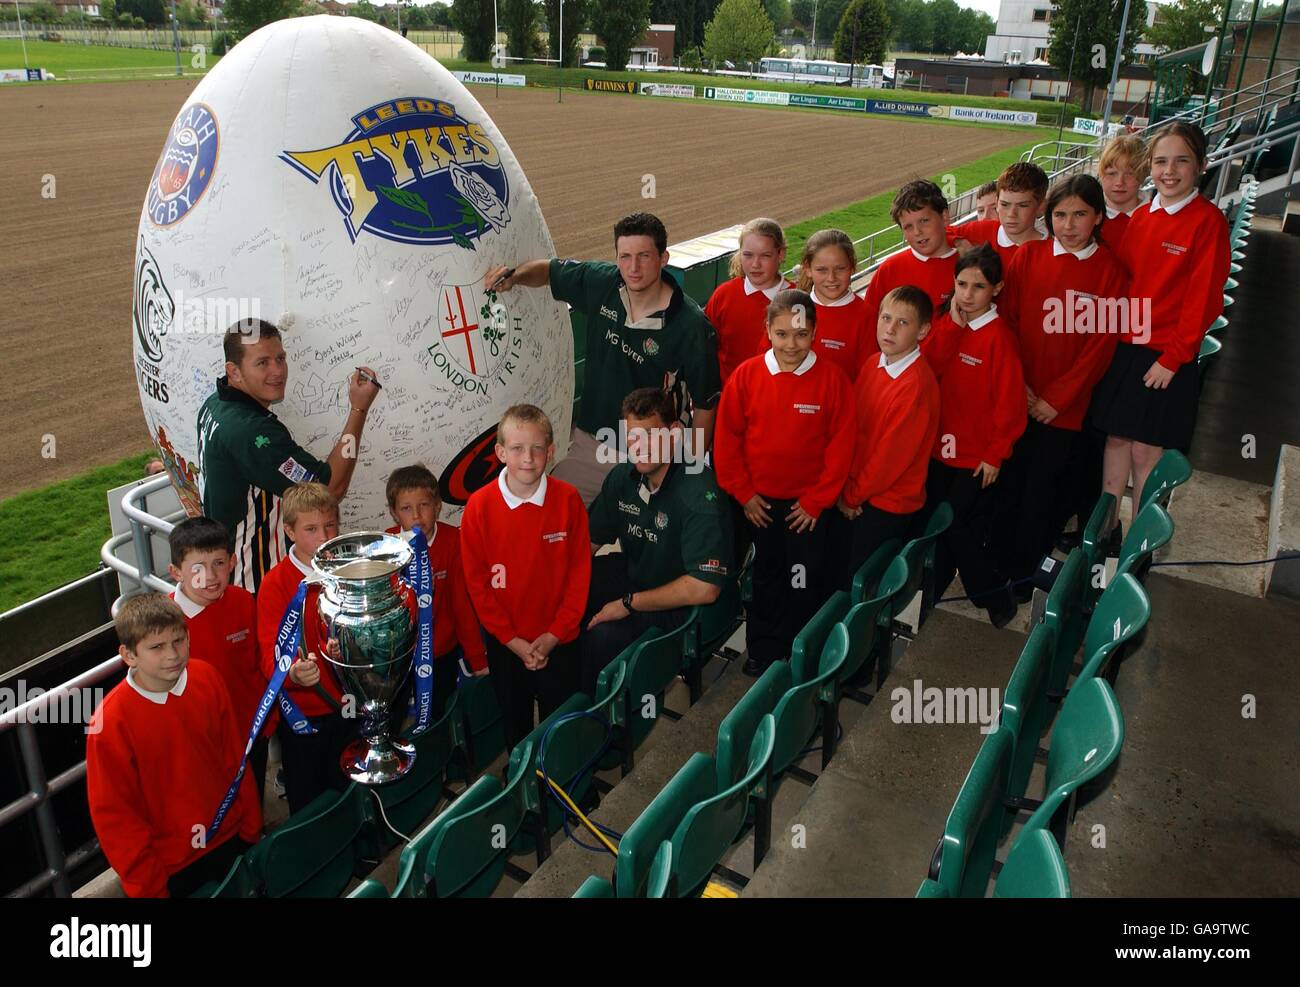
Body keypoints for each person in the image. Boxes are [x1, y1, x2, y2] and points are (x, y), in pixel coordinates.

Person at [482, 213, 722, 505]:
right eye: (625, 256)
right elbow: (549, 271)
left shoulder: (692, 327)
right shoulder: (602, 283)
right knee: (555, 523)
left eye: (644, 256)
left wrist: (690, 471)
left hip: (654, 456)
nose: (633, 268)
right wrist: (516, 276)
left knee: (646, 542)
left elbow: (706, 407)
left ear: (664, 258)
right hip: (591, 446)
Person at [995, 175, 1129, 593]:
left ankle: (1022, 577)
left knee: (1042, 497)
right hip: (1019, 397)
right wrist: (1022, 388)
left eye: (1079, 215)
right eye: (1060, 215)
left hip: (1064, 411)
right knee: (1008, 488)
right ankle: (997, 568)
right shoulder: (1028, 257)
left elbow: (1099, 349)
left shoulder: (1110, 273)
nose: (1068, 225)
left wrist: (1056, 400)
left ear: (1098, 218)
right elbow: (1008, 325)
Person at [1091, 121, 1229, 525]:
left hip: (1165, 355)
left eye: (1181, 161)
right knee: (1116, 439)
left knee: (1145, 451)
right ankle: (1107, 527)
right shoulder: (1143, 216)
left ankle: (1141, 539)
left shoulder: (1208, 222)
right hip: (1127, 347)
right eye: (1161, 161)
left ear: (1201, 166)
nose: (1169, 171)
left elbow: (1203, 299)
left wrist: (1173, 358)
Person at [714, 289, 855, 676]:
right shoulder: (746, 376)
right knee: (766, 577)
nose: (791, 345)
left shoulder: (832, 380)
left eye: (801, 334)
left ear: (814, 332)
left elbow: (840, 449)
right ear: (768, 331)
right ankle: (762, 649)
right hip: (759, 506)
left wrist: (816, 501)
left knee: (803, 580)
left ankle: (801, 649)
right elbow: (727, 442)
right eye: (782, 335)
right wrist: (744, 494)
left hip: (805, 509)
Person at [86, 594, 261, 898]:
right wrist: (149, 889)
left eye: (179, 640)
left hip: (229, 838)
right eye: (156, 647)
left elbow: (236, 757)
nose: (172, 654)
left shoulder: (206, 677)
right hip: (171, 869)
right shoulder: (110, 722)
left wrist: (251, 825)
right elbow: (117, 819)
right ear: (128, 655)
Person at [197, 318, 381, 592]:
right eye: (263, 363)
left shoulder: (214, 403)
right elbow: (330, 489)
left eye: (280, 358)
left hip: (229, 566)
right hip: (255, 578)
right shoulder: (253, 434)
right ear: (233, 371)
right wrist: (359, 410)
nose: (277, 371)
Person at [582, 387, 733, 691]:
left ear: (674, 434)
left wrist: (629, 603)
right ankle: (567, 702)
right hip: (640, 576)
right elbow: (588, 543)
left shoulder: (698, 494)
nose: (640, 447)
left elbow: (704, 589)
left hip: (687, 608)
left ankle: (603, 721)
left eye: (651, 435)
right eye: (632, 437)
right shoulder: (623, 478)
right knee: (577, 590)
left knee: (604, 636)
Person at [460, 405, 590, 748]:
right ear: (501, 453)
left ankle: (564, 779)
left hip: (559, 639)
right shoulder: (479, 507)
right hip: (507, 642)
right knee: (515, 719)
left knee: (561, 719)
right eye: (517, 448)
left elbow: (579, 575)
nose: (528, 458)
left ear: (550, 451)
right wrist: (510, 640)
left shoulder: (568, 500)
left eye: (537, 448)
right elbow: (477, 585)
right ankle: (521, 785)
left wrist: (555, 634)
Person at [923, 244, 1026, 627]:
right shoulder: (948, 323)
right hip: (938, 449)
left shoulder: (1001, 338)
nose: (967, 294)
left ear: (996, 289)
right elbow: (928, 366)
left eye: (978, 287)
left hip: (975, 457)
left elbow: (1011, 405)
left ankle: (994, 595)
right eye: (961, 284)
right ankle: (933, 591)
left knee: (954, 525)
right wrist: (951, 325)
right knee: (942, 524)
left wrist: (995, 453)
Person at [255, 482, 349, 814]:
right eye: (311, 529)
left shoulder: (350, 567)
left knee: (349, 786)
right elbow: (268, 654)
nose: (324, 536)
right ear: (290, 531)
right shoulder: (275, 585)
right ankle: (314, 862)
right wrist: (293, 673)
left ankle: (358, 853)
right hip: (302, 715)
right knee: (308, 799)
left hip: (350, 705)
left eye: (330, 525)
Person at [838, 285, 941, 585]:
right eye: (885, 318)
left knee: (854, 583)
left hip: (885, 503)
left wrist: (850, 495)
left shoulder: (916, 387)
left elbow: (888, 462)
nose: (890, 329)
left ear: (922, 331)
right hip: (858, 491)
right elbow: (853, 430)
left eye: (903, 323)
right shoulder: (873, 364)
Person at [167, 516, 271, 802]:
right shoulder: (163, 623)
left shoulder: (243, 601)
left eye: (219, 563)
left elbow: (256, 664)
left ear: (234, 562)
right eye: (198, 568)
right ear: (176, 572)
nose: (210, 576)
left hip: (251, 734)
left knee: (252, 805)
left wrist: (266, 722)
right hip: (201, 747)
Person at [383, 464, 489, 719]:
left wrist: (477, 659)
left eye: (425, 505)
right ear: (394, 513)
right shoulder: (386, 544)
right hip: (399, 655)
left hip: (442, 650)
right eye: (406, 508)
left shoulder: (453, 541)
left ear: (438, 505)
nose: (417, 516)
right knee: (393, 717)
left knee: (442, 714)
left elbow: (461, 605)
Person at [704, 217, 793, 386]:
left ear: (780, 254)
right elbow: (706, 352)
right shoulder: (723, 295)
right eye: (748, 255)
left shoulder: (797, 301)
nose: (755, 264)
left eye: (765, 256)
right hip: (729, 399)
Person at [862, 180, 960, 321]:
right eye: (908, 226)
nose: (917, 232)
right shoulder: (889, 269)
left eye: (924, 221)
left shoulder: (967, 266)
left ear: (944, 217)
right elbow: (868, 323)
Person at [796, 229, 875, 379]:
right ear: (807, 269)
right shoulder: (793, 308)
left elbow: (867, 379)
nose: (831, 278)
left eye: (840, 269)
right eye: (822, 270)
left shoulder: (867, 316)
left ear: (852, 267)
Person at [948, 162, 1050, 269]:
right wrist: (959, 242)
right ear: (997, 202)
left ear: (1041, 206)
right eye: (1004, 204)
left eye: (1022, 205)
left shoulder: (1054, 250)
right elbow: (939, 232)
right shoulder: (982, 230)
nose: (1011, 214)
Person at [1097, 133, 1150, 250]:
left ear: (1143, 175)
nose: (1119, 182)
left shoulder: (1156, 219)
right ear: (1100, 174)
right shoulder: (1087, 215)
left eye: (1130, 174)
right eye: (1112, 173)